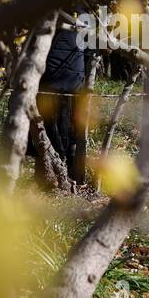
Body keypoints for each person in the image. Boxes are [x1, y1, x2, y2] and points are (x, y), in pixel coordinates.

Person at [37, 20, 88, 183]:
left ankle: (49, 173)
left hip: (50, 77)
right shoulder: (87, 11)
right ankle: (71, 173)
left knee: (49, 126)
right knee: (71, 128)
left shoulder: (49, 8)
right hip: (74, 80)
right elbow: (91, 51)